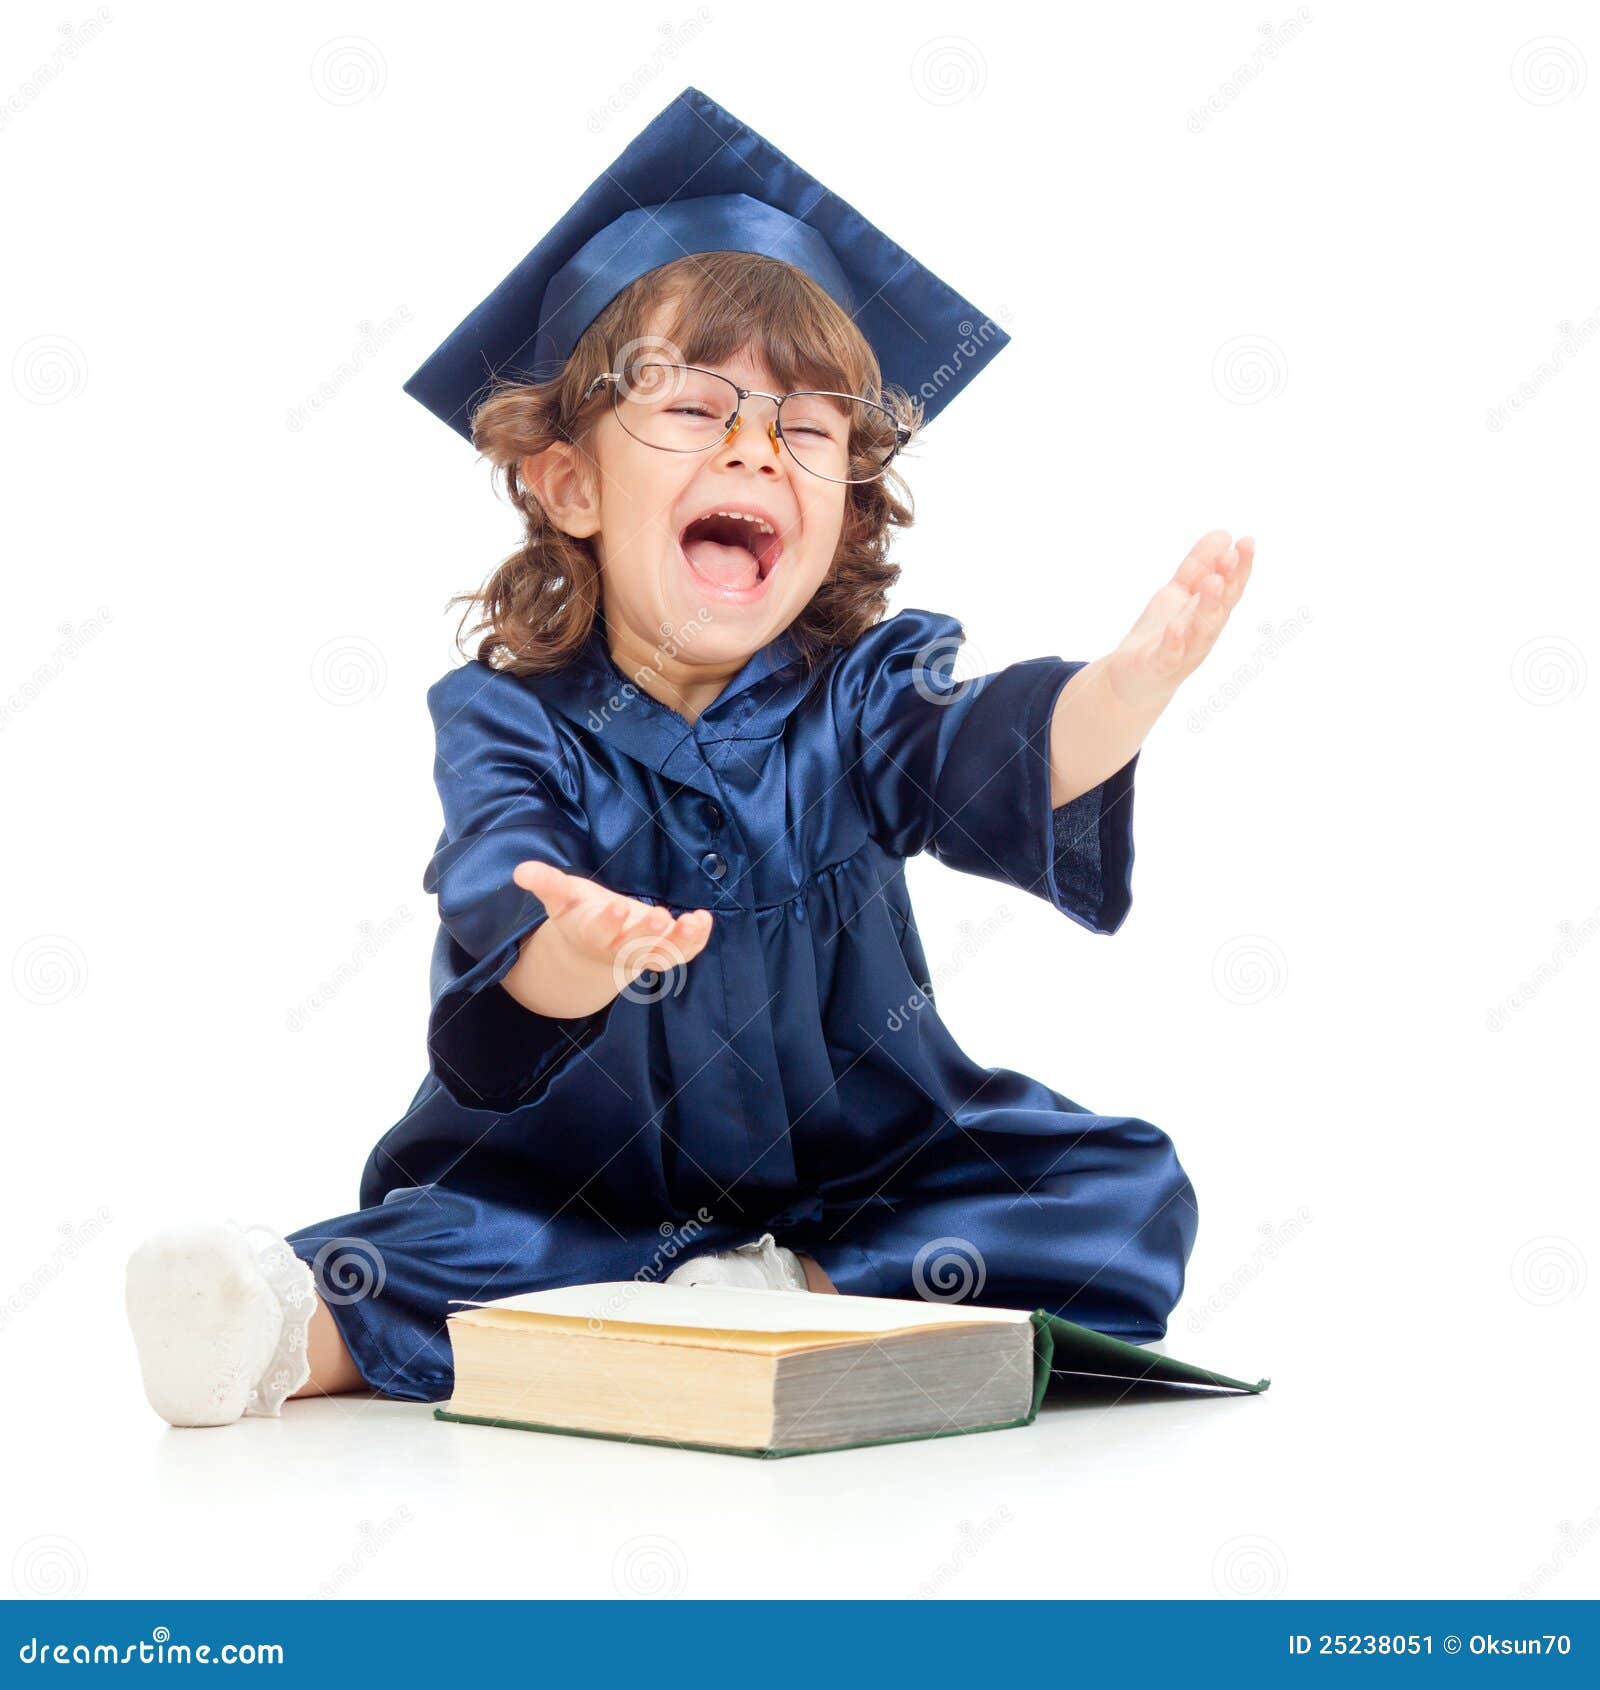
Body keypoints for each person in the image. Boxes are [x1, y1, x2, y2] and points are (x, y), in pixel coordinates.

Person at [125, 87, 1253, 1427]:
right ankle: (266, 1330)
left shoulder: (864, 697)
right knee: (438, 1250)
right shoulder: (510, 721)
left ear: (846, 504)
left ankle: (791, 1296)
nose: (754, 446)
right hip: (569, 1187)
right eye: (694, 405)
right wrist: (575, 946)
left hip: (863, 1184)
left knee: (1121, 1189)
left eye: (806, 425)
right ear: (569, 484)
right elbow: (503, 892)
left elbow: (979, 748)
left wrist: (1117, 695)